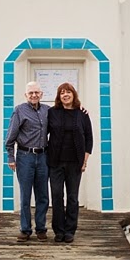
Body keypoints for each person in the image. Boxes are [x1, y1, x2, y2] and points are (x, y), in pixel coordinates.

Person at [47, 82, 93, 243]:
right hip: (55, 162)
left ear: (74, 95)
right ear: (58, 97)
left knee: (73, 197)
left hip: (75, 163)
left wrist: (85, 161)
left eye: (68, 92)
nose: (65, 95)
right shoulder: (52, 112)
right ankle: (59, 231)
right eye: (62, 93)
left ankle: (70, 230)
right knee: (57, 196)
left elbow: (89, 139)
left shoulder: (82, 114)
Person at [5, 81, 49, 242]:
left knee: (43, 195)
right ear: (26, 95)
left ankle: (41, 228)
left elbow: (61, 119)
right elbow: (10, 137)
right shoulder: (19, 110)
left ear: (41, 94)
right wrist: (11, 157)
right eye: (31, 93)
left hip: (43, 157)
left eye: (37, 92)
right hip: (25, 157)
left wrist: (80, 109)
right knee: (25, 195)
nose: (34, 95)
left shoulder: (47, 111)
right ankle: (25, 229)